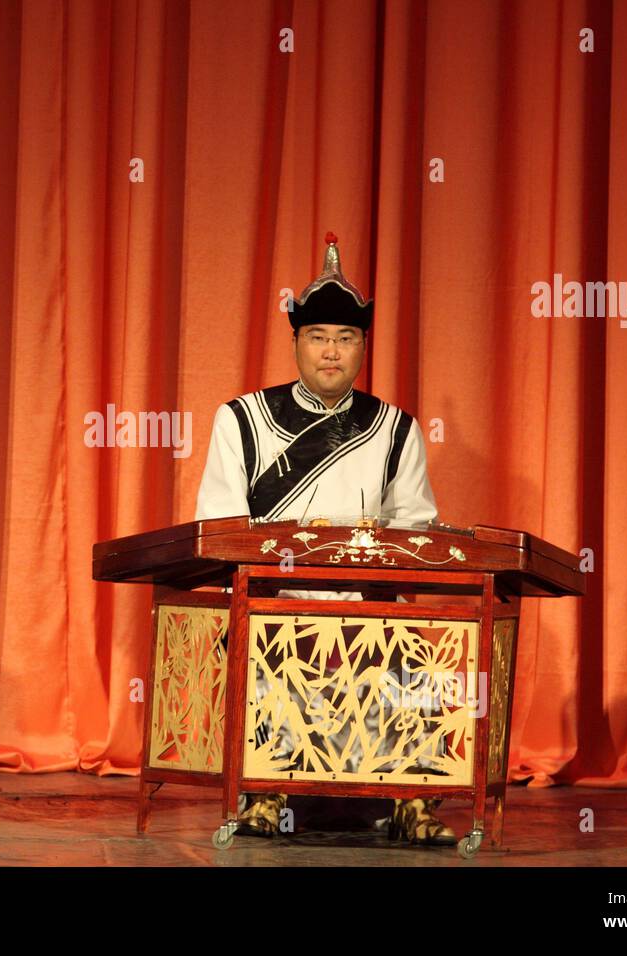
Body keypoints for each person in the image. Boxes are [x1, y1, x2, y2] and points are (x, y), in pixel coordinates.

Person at [194, 232, 454, 846]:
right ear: (295, 343)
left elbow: (414, 525)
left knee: (415, 651)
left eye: (345, 338)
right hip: (273, 601)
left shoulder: (395, 428)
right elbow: (223, 522)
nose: (331, 352)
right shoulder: (240, 419)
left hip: (367, 599)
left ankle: (412, 800)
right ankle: (265, 790)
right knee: (270, 635)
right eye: (317, 337)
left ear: (363, 346)